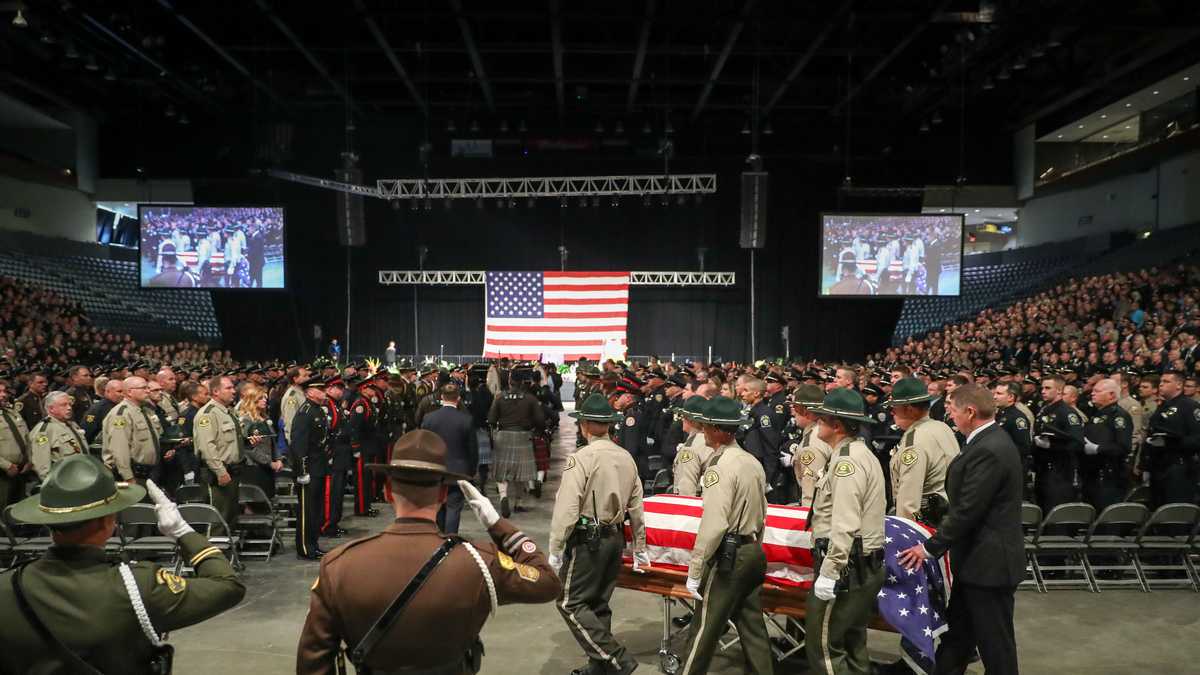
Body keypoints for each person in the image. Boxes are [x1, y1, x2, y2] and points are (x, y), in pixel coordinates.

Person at [295, 430, 561, 674]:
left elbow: (312, 662)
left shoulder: (340, 566)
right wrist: (497, 524)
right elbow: (548, 583)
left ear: (388, 492)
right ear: (443, 494)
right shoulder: (479, 563)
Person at [0, 455, 245, 673]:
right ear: (109, 522)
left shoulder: (7, 587)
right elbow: (227, 586)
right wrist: (182, 531)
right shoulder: (137, 587)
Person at [899, 383, 1024, 675]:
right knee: (958, 635)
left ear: (970, 412)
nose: (950, 416)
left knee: (996, 644)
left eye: (953, 410)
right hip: (975, 562)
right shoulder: (985, 442)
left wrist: (929, 547)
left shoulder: (989, 448)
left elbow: (969, 509)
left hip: (989, 564)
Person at [549, 393, 648, 675]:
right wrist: (639, 545)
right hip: (614, 537)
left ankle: (616, 660)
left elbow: (568, 507)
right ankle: (600, 667)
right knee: (598, 603)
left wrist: (556, 547)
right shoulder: (625, 457)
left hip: (587, 540)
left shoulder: (582, 458)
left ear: (584, 425)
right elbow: (637, 506)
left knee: (569, 602)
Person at [680, 396, 772, 675]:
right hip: (752, 550)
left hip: (729, 556)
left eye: (707, 426)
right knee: (752, 626)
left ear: (719, 430)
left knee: (704, 628)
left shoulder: (719, 466)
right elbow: (763, 512)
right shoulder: (751, 461)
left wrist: (696, 568)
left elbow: (715, 523)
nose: (703, 431)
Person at [805, 388, 886, 675]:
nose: (816, 424)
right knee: (853, 641)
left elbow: (845, 522)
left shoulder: (846, 462)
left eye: (821, 420)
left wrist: (830, 571)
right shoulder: (856, 453)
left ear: (836, 425)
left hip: (846, 567)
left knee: (823, 644)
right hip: (861, 564)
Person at [885, 377, 960, 525]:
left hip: (926, 524)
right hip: (950, 516)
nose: (892, 413)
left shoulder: (914, 441)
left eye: (893, 408)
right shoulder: (941, 427)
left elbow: (909, 501)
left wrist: (905, 530)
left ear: (909, 409)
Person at [421, 383, 479, 535]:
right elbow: (472, 449)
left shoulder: (429, 418)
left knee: (438, 505)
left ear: (442, 397)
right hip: (458, 471)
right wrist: (472, 471)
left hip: (435, 470)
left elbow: (423, 445)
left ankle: (440, 536)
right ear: (458, 399)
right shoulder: (466, 420)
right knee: (454, 507)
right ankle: (450, 539)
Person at [488, 367, 545, 517]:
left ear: (510, 381)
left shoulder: (499, 397)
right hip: (523, 436)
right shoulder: (530, 399)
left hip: (503, 436)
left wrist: (494, 434)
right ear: (522, 382)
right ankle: (518, 503)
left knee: (502, 470)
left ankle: (503, 496)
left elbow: (491, 419)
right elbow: (540, 420)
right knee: (521, 472)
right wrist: (537, 432)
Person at [192, 376, 246, 533]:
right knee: (217, 520)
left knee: (230, 518)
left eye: (233, 387)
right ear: (215, 391)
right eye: (228, 388)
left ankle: (226, 548)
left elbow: (228, 443)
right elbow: (207, 447)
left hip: (233, 472)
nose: (233, 391)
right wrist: (220, 471)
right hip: (217, 475)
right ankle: (213, 549)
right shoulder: (208, 414)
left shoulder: (227, 412)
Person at [1141, 370, 1200, 505]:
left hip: (1179, 468)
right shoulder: (1162, 406)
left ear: (1179, 385)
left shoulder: (1190, 406)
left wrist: (1171, 442)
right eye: (1161, 381)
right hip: (1157, 466)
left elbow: (1197, 438)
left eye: (1166, 382)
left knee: (1175, 510)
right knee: (1157, 509)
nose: (1161, 384)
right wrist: (1145, 464)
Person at [290, 377, 331, 560]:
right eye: (320, 389)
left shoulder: (318, 410)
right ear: (310, 392)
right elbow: (299, 445)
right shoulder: (305, 413)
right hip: (309, 469)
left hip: (319, 466)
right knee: (307, 511)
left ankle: (313, 544)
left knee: (316, 511)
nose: (324, 392)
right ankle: (305, 548)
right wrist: (302, 470)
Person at [1033, 376, 1085, 512]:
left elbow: (1078, 444)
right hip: (1042, 469)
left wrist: (1052, 446)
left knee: (1055, 510)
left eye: (1047, 388)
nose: (1043, 391)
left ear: (1059, 391)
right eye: (1042, 388)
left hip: (1060, 472)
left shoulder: (1067, 413)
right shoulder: (1044, 409)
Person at [1081, 379, 1132, 510]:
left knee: (1105, 513)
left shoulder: (1119, 416)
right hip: (1092, 473)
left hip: (1109, 475)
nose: (1092, 393)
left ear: (1111, 395)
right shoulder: (1096, 413)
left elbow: (1124, 447)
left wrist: (1098, 449)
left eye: (1097, 391)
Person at [101, 376, 162, 486]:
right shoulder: (121, 414)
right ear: (130, 392)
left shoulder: (144, 410)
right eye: (143, 388)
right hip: (134, 475)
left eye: (148, 388)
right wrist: (128, 477)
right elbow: (119, 450)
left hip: (150, 472)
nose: (148, 391)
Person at [787, 384, 834, 508]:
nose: (792, 412)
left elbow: (811, 493)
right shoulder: (823, 432)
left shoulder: (812, 442)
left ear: (805, 412)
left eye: (795, 407)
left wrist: (806, 516)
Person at [236, 384, 282, 500]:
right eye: (261, 398)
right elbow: (248, 448)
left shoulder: (266, 418)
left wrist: (278, 459)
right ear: (252, 400)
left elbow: (273, 441)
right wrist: (269, 463)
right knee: (255, 501)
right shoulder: (246, 420)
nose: (265, 400)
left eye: (265, 398)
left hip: (268, 467)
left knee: (269, 498)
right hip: (254, 467)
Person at [29, 390, 87, 483]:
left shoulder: (72, 424)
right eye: (64, 405)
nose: (69, 408)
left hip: (82, 475)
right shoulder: (44, 431)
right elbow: (42, 467)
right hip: (64, 481)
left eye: (69, 404)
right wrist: (53, 485)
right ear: (51, 409)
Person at [671, 395, 716, 496]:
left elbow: (686, 489)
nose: (681, 419)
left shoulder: (691, 448)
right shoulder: (715, 441)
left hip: (698, 501)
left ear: (689, 420)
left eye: (683, 416)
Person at [0, 380, 32, 508]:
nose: (3, 395)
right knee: (4, 508)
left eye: (4, 391)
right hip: (3, 473)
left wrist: (29, 460)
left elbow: (27, 437)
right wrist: (6, 466)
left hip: (22, 469)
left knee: (20, 507)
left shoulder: (12, 412)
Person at [83, 378, 124, 446]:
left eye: (124, 391)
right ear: (108, 392)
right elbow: (87, 432)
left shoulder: (120, 406)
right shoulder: (98, 409)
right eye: (119, 391)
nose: (123, 394)